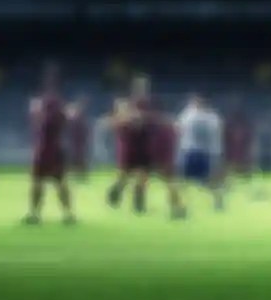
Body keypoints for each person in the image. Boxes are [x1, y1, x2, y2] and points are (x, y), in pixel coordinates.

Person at [106, 74, 186, 219]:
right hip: (130, 146)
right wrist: (128, 119)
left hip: (145, 145)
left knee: (144, 175)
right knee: (124, 176)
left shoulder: (149, 104)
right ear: (134, 88)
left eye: (144, 87)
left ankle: (139, 203)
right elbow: (117, 122)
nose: (142, 89)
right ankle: (116, 192)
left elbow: (154, 119)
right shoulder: (125, 104)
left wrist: (156, 121)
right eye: (139, 86)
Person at [25, 64, 76, 225]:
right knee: (48, 182)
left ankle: (42, 214)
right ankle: (63, 214)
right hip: (49, 147)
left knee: (50, 182)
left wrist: (36, 112)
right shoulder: (55, 103)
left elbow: (48, 121)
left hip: (50, 148)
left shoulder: (50, 103)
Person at [177, 93, 224, 209]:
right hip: (195, 152)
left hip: (197, 153)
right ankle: (182, 205)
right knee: (184, 181)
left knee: (202, 181)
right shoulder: (210, 116)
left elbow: (178, 129)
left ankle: (218, 200)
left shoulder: (189, 115)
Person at [220, 95, 261, 200]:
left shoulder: (240, 126)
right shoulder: (231, 126)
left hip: (240, 154)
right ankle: (224, 192)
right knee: (230, 174)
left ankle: (255, 193)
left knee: (246, 175)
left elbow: (248, 141)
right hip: (235, 155)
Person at [65, 97, 91, 182]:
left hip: (79, 145)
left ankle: (82, 177)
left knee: (80, 160)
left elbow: (86, 132)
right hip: (71, 144)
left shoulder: (81, 120)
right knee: (70, 161)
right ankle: (69, 176)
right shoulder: (70, 120)